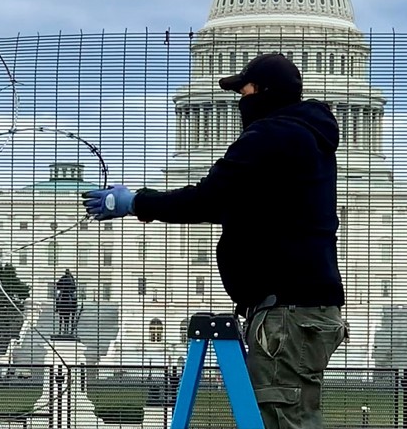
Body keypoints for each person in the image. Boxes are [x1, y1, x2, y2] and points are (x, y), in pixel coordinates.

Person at [82, 52, 348, 429]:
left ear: (264, 92)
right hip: (310, 307)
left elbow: (209, 198)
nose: (241, 100)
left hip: (286, 311)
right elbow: (234, 206)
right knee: (299, 415)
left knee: (282, 418)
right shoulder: (309, 141)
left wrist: (136, 202)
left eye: (245, 90)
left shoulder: (270, 136)